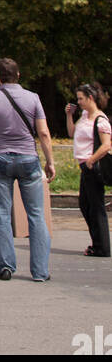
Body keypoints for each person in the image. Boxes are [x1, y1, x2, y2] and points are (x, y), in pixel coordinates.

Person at [0, 57, 55, 283]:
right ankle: (39, 272)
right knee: (36, 215)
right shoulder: (33, 98)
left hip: (0, 160)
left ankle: (5, 267)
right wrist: (50, 161)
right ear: (18, 75)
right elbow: (44, 133)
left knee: (2, 214)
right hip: (29, 159)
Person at [65, 83, 111, 258]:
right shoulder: (84, 116)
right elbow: (72, 133)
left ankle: (102, 247)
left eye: (81, 99)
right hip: (84, 165)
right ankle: (97, 243)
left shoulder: (100, 120)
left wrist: (92, 160)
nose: (79, 102)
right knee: (85, 205)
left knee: (96, 206)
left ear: (90, 98)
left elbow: (106, 145)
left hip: (93, 166)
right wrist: (69, 115)